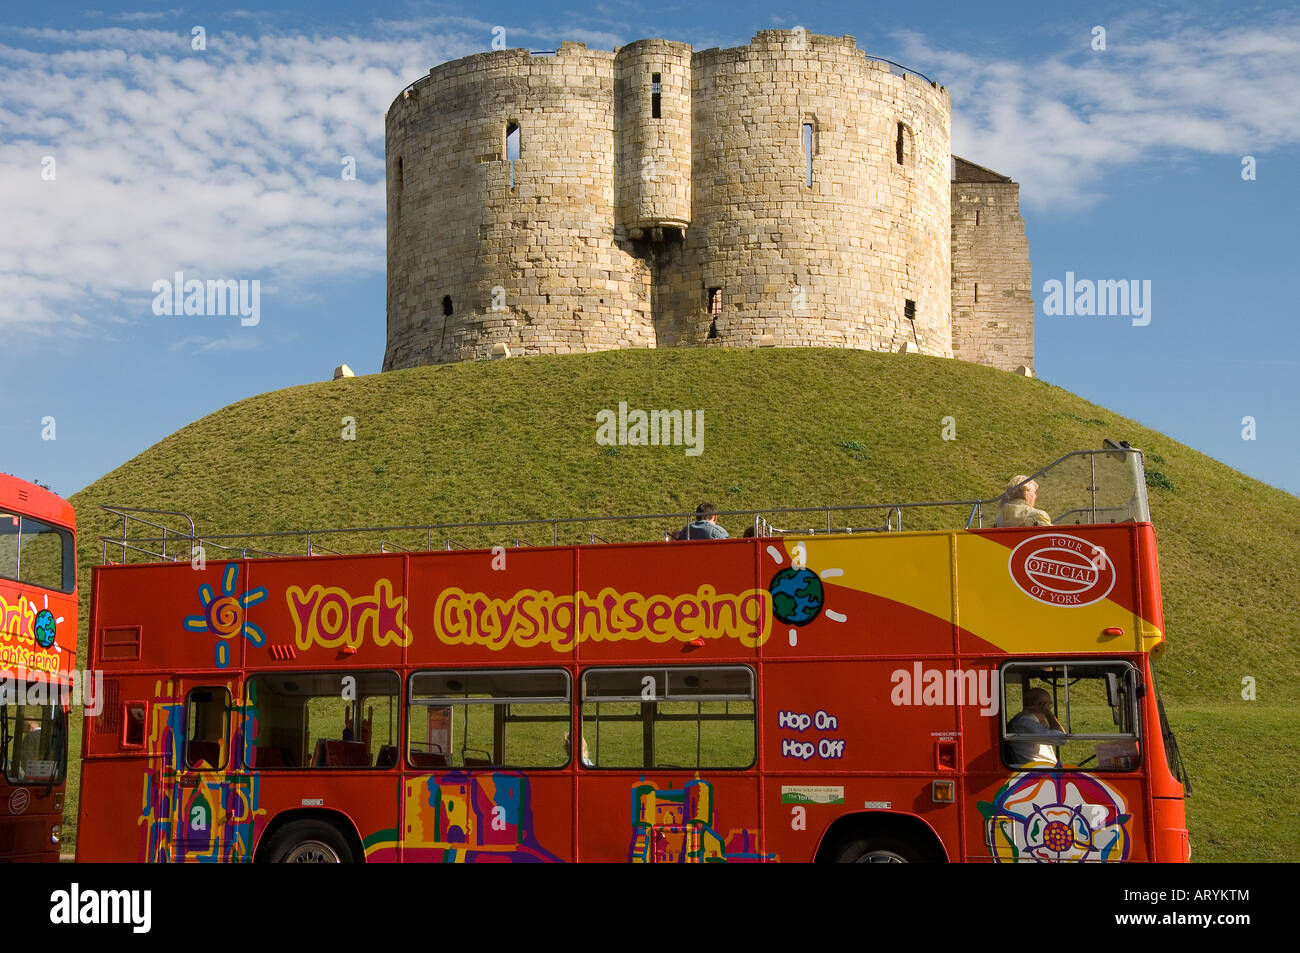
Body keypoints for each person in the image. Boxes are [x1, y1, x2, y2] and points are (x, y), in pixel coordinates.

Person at [1007, 688, 1066, 767]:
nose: (1049, 708)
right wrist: (1048, 712)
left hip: (1044, 770)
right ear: (1041, 705)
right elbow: (1062, 738)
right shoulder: (1024, 722)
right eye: (1049, 705)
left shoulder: (1031, 721)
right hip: (1037, 772)